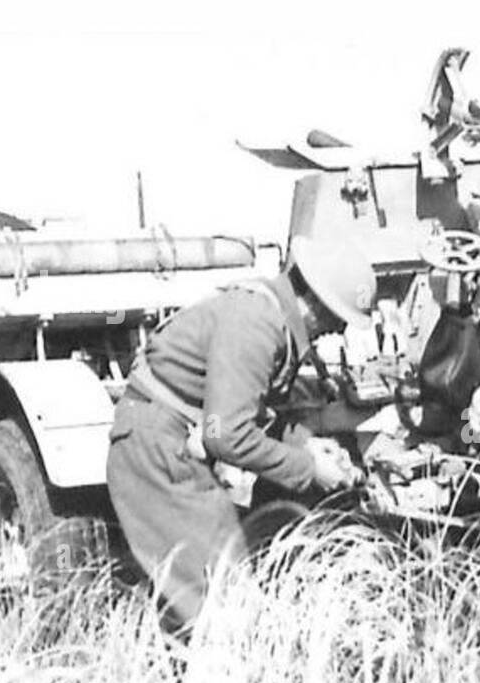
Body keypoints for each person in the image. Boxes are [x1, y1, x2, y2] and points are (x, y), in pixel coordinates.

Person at [106, 235, 373, 632]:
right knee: (222, 600)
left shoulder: (266, 315)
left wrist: (306, 444)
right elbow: (225, 434)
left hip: (171, 444)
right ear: (314, 305)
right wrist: (309, 469)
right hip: (157, 452)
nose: (332, 333)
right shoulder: (257, 324)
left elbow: (239, 409)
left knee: (215, 589)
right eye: (335, 320)